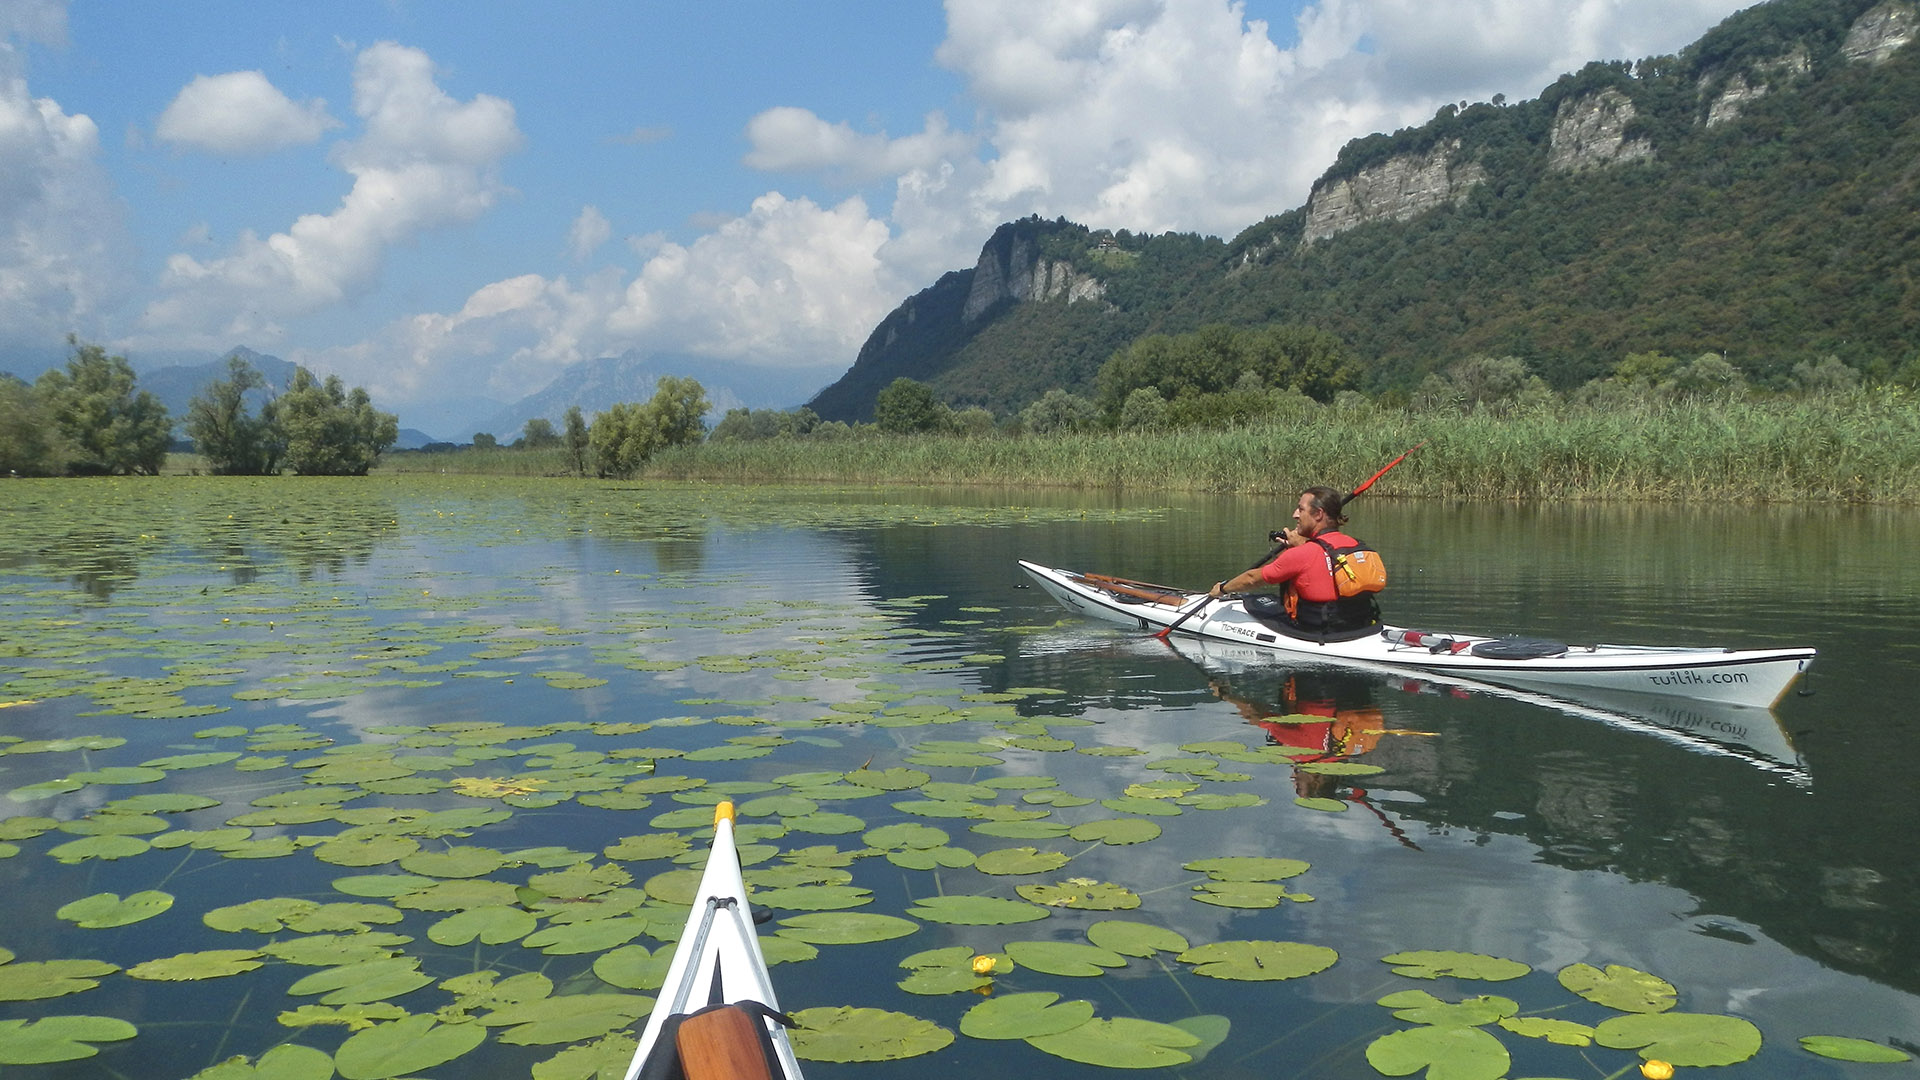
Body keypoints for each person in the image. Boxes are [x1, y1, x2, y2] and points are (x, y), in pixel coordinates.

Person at [1207, 485, 1381, 635]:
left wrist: (1222, 588)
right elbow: (1321, 561)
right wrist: (1298, 547)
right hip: (1361, 625)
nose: (1295, 515)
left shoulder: (1302, 554)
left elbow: (1252, 578)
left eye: (1301, 509)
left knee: (1255, 601)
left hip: (1319, 632)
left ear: (1319, 514)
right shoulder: (1355, 544)